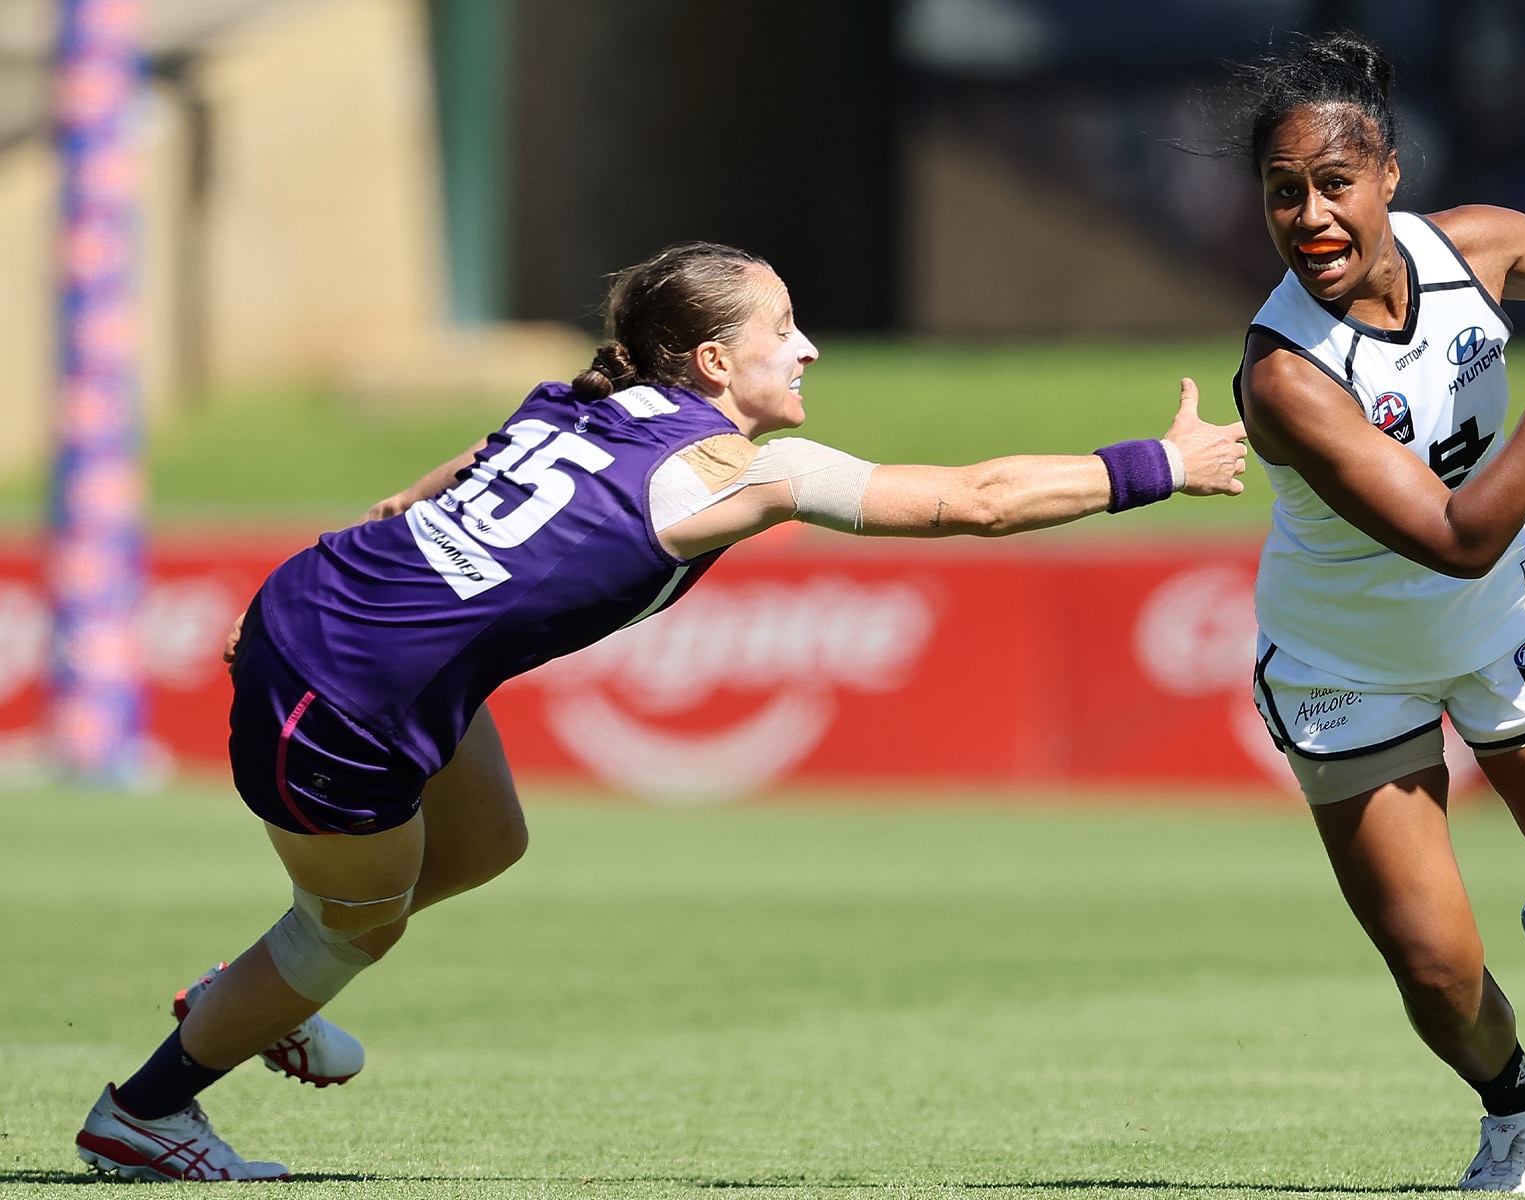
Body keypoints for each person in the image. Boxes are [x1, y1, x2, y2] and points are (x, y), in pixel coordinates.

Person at [74, 241, 1250, 1182]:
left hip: (338, 625)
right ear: (712, 361)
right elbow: (972, 500)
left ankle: (258, 994)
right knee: (349, 932)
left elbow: (411, 503)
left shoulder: (576, 404)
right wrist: (1158, 465)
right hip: (341, 699)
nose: (809, 347)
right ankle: (147, 1113)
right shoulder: (725, 472)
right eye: (784, 329)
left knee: (487, 843)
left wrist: (291, 596)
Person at [1224, 33, 1525, 1193]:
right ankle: (1515, 1110)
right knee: (1437, 971)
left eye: (1335, 183)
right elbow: (1455, 537)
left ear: (1389, 174)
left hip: (1505, 620)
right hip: (1348, 662)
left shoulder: (1476, 247)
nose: (1310, 216)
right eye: (1283, 193)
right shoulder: (1285, 375)